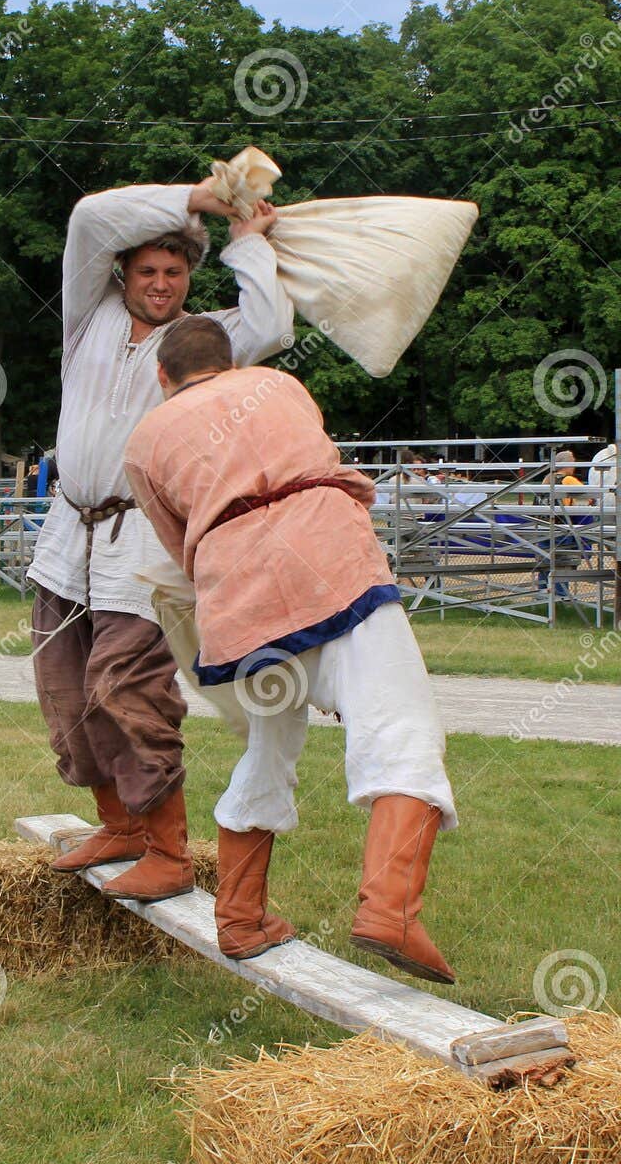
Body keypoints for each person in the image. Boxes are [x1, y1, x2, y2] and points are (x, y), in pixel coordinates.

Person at [122, 316, 457, 982]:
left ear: (164, 376)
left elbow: (174, 541)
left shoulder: (144, 441)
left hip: (236, 597)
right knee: (401, 725)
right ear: (231, 361)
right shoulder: (276, 383)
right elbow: (315, 455)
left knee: (271, 744)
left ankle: (241, 917)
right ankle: (389, 909)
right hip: (330, 560)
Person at [34, 176, 292, 901]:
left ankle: (170, 852)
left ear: (189, 278)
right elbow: (88, 215)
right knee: (65, 693)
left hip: (142, 539)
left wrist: (247, 242)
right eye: (146, 270)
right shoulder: (89, 317)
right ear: (123, 273)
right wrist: (205, 196)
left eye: (174, 272)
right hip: (67, 534)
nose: (159, 283)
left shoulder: (205, 339)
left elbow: (271, 324)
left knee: (129, 689)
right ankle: (116, 823)